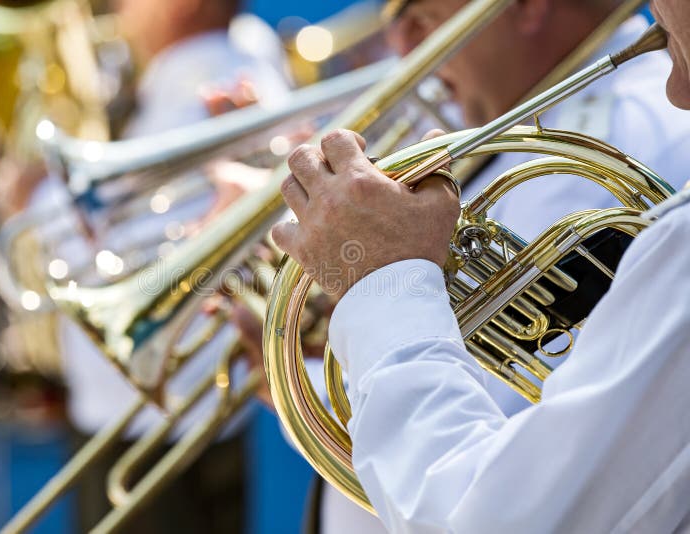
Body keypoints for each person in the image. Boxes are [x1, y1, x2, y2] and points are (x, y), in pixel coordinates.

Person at [254, 1, 690, 532]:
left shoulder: (619, 127)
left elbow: (498, 492)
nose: (403, 50)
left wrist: (379, 287)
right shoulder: (539, 123)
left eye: (420, 18)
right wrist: (325, 364)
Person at [21, 0, 290, 531]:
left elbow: (142, 252)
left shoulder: (206, 77)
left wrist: (37, 202)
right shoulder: (226, 62)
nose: (115, 7)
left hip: (156, 422)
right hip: (159, 417)